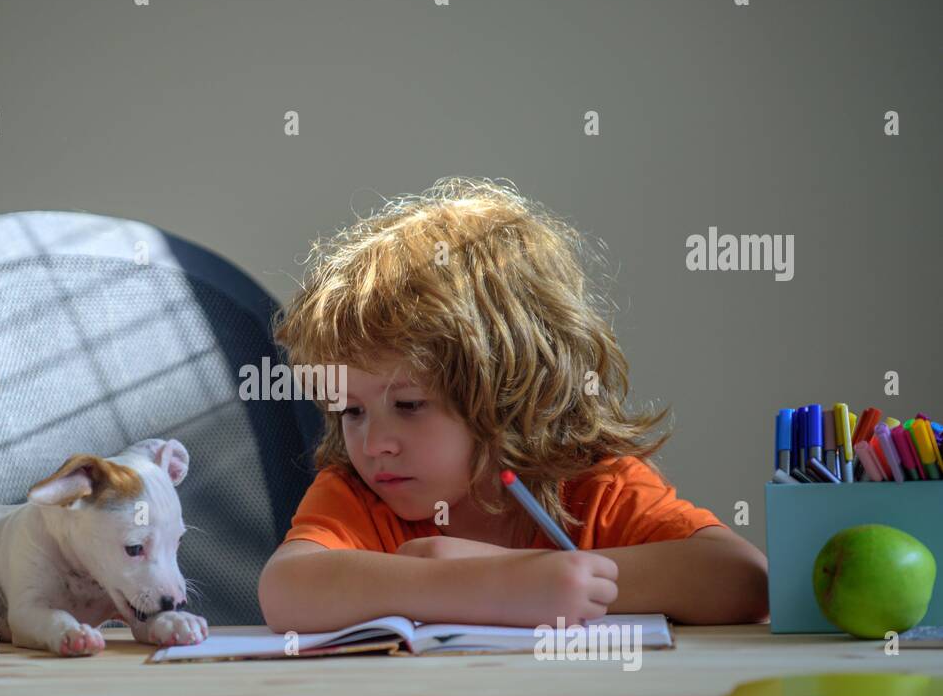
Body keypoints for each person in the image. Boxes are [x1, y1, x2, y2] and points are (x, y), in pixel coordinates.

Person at [258, 177, 768, 633]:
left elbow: (744, 580)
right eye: (351, 411)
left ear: (512, 389)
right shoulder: (357, 494)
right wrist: (480, 585)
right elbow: (287, 588)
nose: (374, 444)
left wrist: (542, 579)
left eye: (410, 405)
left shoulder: (592, 487)